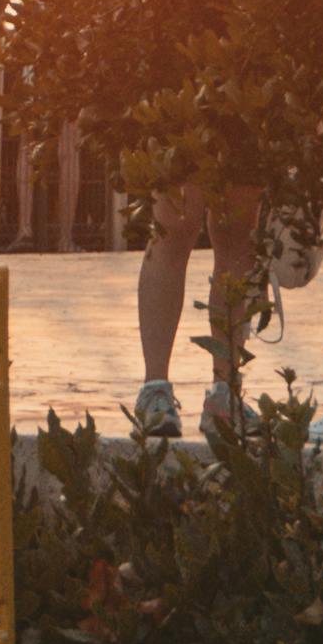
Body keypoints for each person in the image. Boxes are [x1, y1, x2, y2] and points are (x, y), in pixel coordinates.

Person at [134, 155, 270, 444]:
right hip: (184, 118)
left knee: (239, 230)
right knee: (173, 223)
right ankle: (154, 387)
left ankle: (225, 391)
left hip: (242, 114)